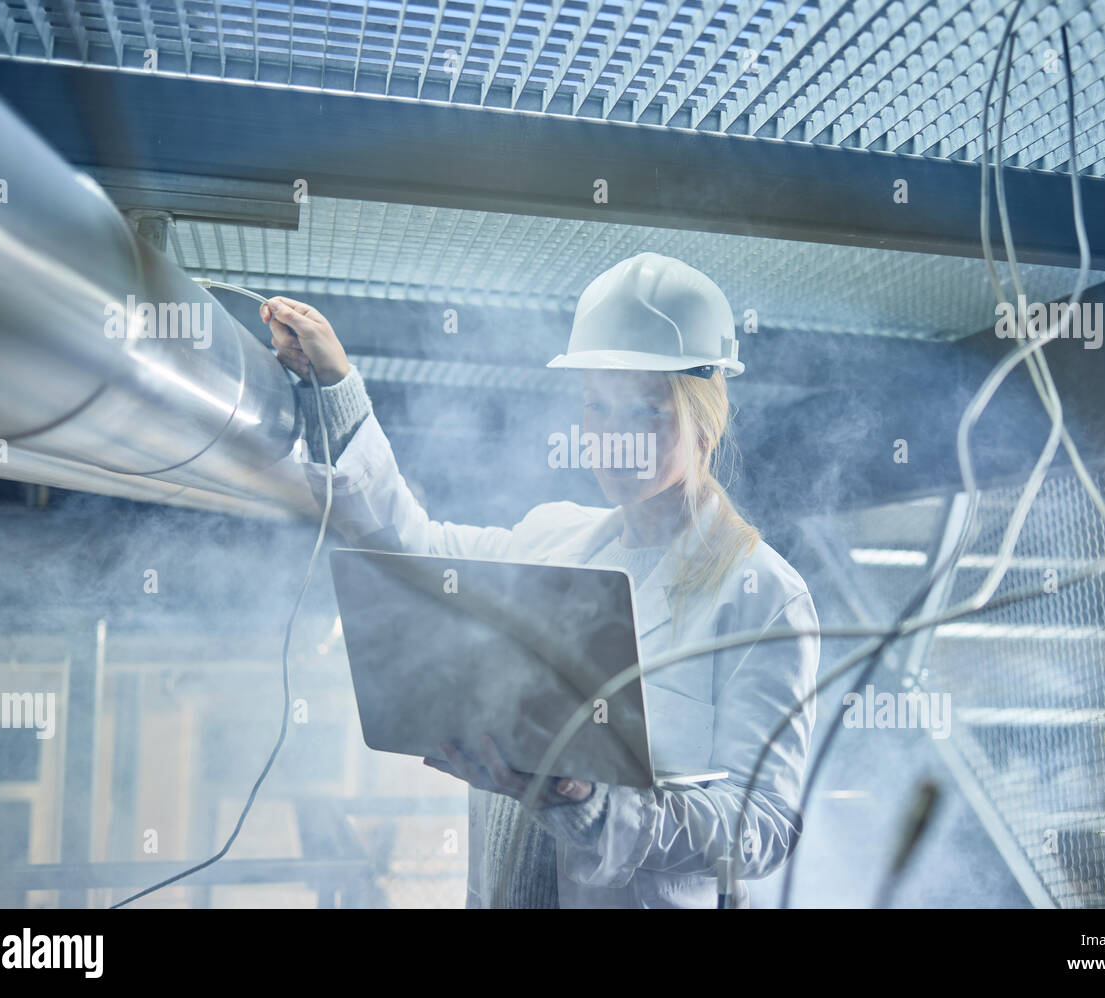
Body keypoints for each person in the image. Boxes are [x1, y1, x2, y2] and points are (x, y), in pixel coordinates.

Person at [261, 252, 820, 908]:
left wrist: (598, 807)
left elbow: (764, 826)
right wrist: (337, 389)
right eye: (597, 408)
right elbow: (415, 554)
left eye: (645, 410)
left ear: (705, 417)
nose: (615, 437)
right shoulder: (550, 539)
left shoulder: (762, 597)